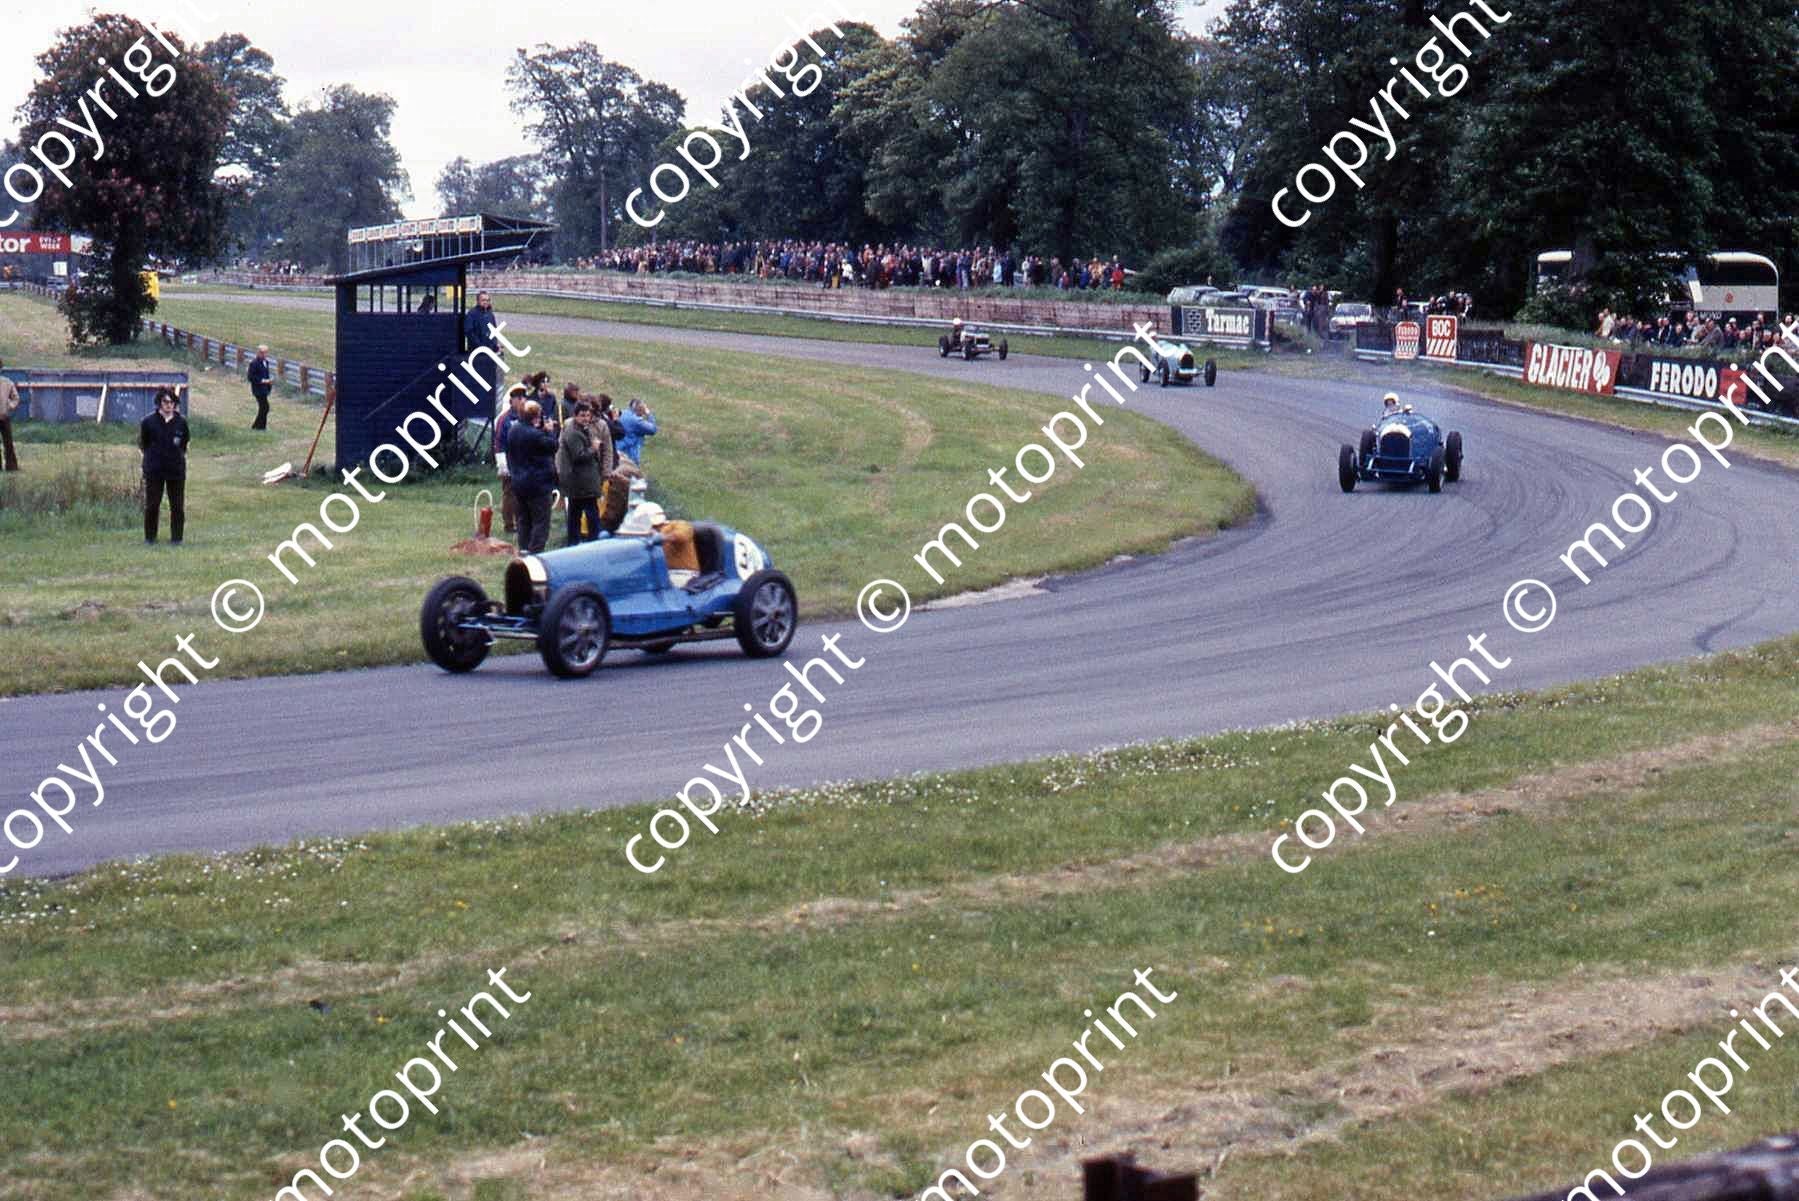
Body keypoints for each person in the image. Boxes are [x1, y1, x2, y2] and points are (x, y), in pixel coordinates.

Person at [505, 400, 559, 554]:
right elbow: (553, 446)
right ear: (536, 416)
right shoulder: (536, 435)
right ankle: (535, 553)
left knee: (523, 521)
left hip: (519, 482)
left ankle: (523, 551)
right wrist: (549, 431)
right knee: (541, 522)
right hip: (538, 484)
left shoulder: (513, 430)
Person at [139, 386, 190, 544]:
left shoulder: (181, 422)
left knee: (177, 506)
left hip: (175, 470)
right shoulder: (148, 422)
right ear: (159, 403)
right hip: (155, 470)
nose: (169, 405)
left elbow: (184, 443)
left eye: (172, 402)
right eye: (165, 402)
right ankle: (150, 538)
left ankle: (177, 538)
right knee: (152, 505)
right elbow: (143, 443)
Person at [557, 400, 611, 545]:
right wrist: (593, 448)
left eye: (587, 415)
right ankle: (590, 543)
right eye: (582, 415)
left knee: (578, 514)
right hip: (580, 483)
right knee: (588, 516)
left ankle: (576, 543)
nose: (586, 418)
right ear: (575, 416)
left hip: (585, 482)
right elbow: (578, 456)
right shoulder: (573, 432)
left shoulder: (583, 429)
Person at [494, 384, 529, 534]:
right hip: (509, 460)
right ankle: (509, 524)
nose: (521, 401)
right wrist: (502, 465)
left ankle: (522, 521)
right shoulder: (505, 419)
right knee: (509, 493)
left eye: (523, 398)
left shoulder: (527, 416)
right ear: (512, 400)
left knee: (523, 493)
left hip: (525, 460)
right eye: (518, 398)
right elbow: (499, 443)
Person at [616, 398, 658, 467]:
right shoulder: (636, 421)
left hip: (617, 451)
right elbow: (653, 430)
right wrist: (648, 414)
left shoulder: (621, 413)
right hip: (629, 456)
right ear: (640, 410)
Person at [0, 357, 20, 471]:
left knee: (8, 443)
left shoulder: (7, 382)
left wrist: (10, 406)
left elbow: (16, 398)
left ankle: (12, 467)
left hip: (4, 417)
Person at [246, 345, 273, 430]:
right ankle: (259, 427)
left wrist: (269, 382)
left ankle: (258, 426)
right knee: (265, 407)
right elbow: (251, 377)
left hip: (265, 389)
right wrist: (263, 381)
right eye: (262, 353)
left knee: (264, 408)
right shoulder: (254, 363)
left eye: (265, 353)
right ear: (258, 353)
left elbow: (266, 374)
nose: (264, 354)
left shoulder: (266, 362)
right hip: (258, 389)